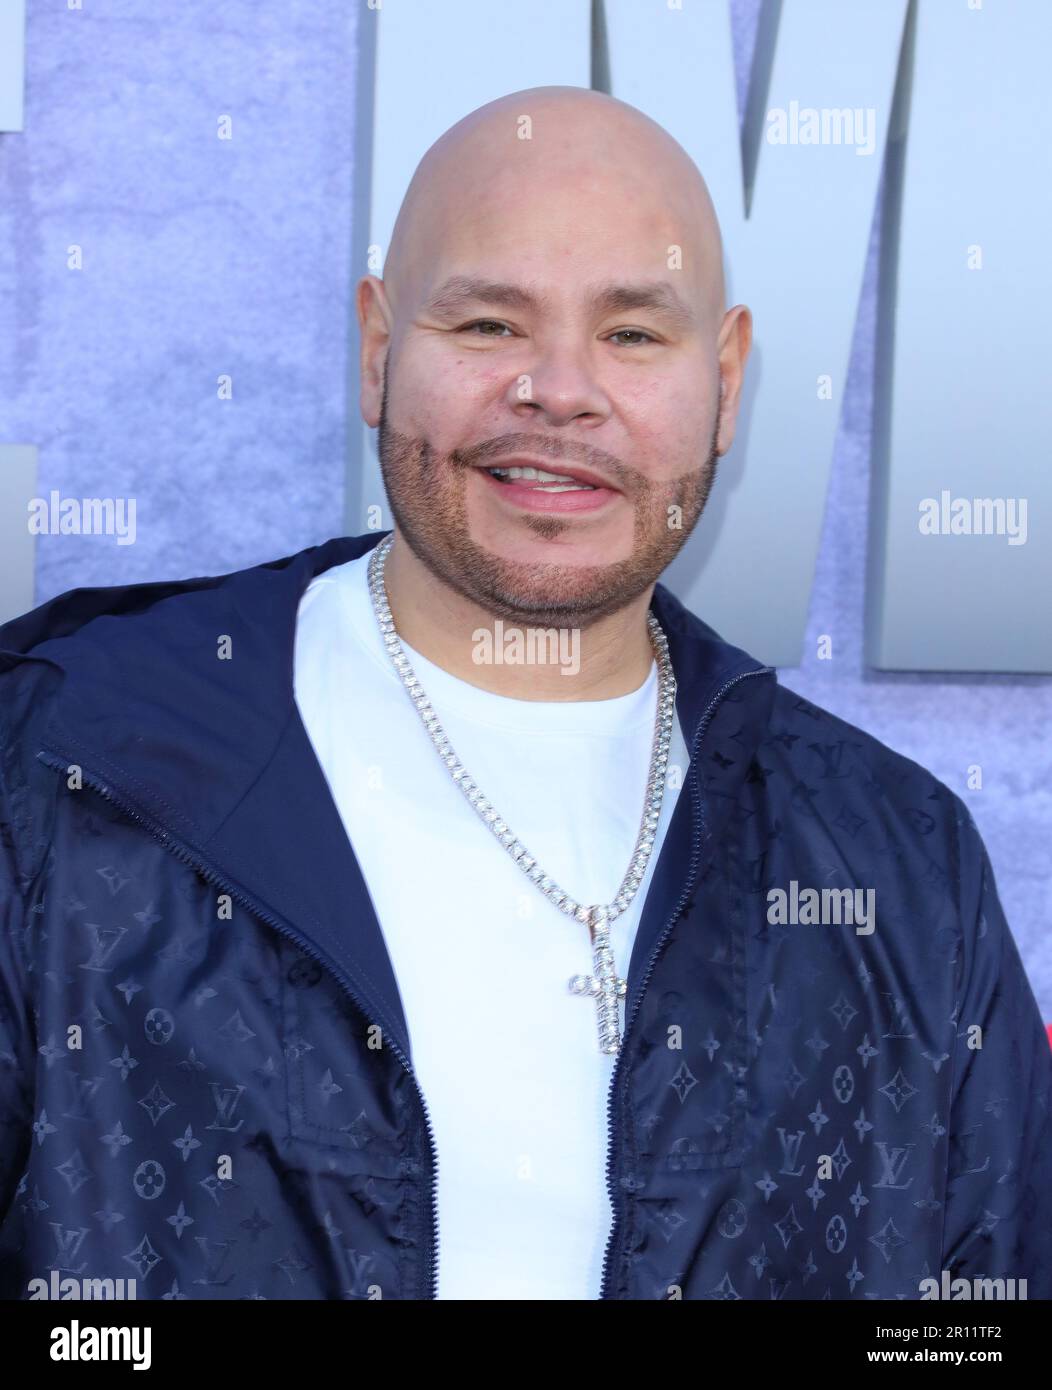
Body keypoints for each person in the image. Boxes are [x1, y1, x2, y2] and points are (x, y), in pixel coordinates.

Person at [1, 86, 1049, 1302]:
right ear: (379, 349)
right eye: (491, 324)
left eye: (633, 335)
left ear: (724, 382)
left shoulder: (895, 856)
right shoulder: (66, 758)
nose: (559, 390)